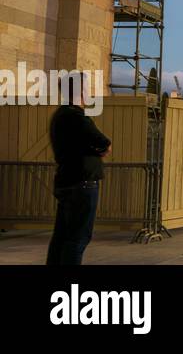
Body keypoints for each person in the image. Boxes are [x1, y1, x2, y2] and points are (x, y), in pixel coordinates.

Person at [47, 79, 111, 265]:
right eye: (86, 87)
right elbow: (104, 143)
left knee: (62, 236)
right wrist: (98, 151)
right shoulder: (77, 116)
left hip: (66, 181)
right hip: (82, 184)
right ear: (80, 91)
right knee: (78, 238)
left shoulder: (60, 115)